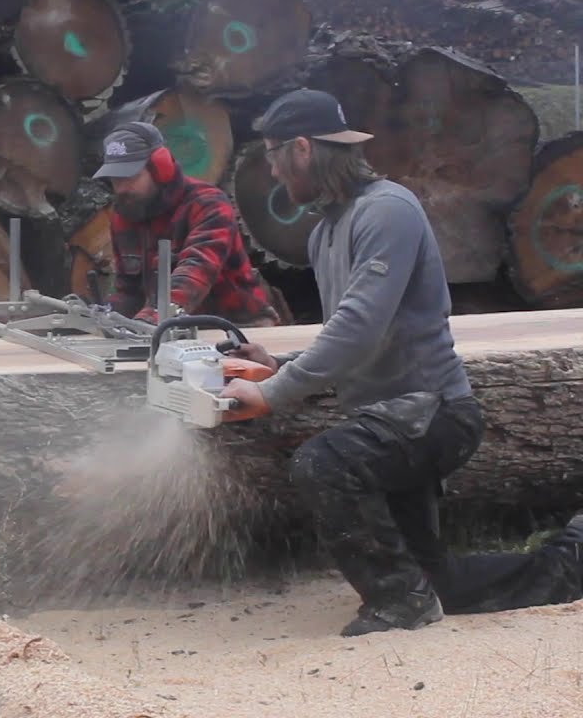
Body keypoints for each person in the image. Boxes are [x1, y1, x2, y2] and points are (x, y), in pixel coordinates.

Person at [221, 88, 583, 637]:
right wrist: (277, 365)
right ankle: (572, 560)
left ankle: (400, 603)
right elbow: (354, 339)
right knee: (442, 583)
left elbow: (361, 324)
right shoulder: (325, 234)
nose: (271, 171)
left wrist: (272, 393)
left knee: (323, 463)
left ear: (302, 148)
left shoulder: (388, 210)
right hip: (389, 421)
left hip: (432, 415)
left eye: (273, 155)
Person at [91, 121, 280, 327]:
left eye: (130, 177)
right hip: (171, 330)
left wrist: (151, 319)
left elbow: (196, 271)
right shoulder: (126, 213)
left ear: (160, 167)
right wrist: (103, 316)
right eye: (116, 180)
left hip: (239, 327)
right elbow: (128, 291)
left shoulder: (208, 204)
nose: (122, 189)